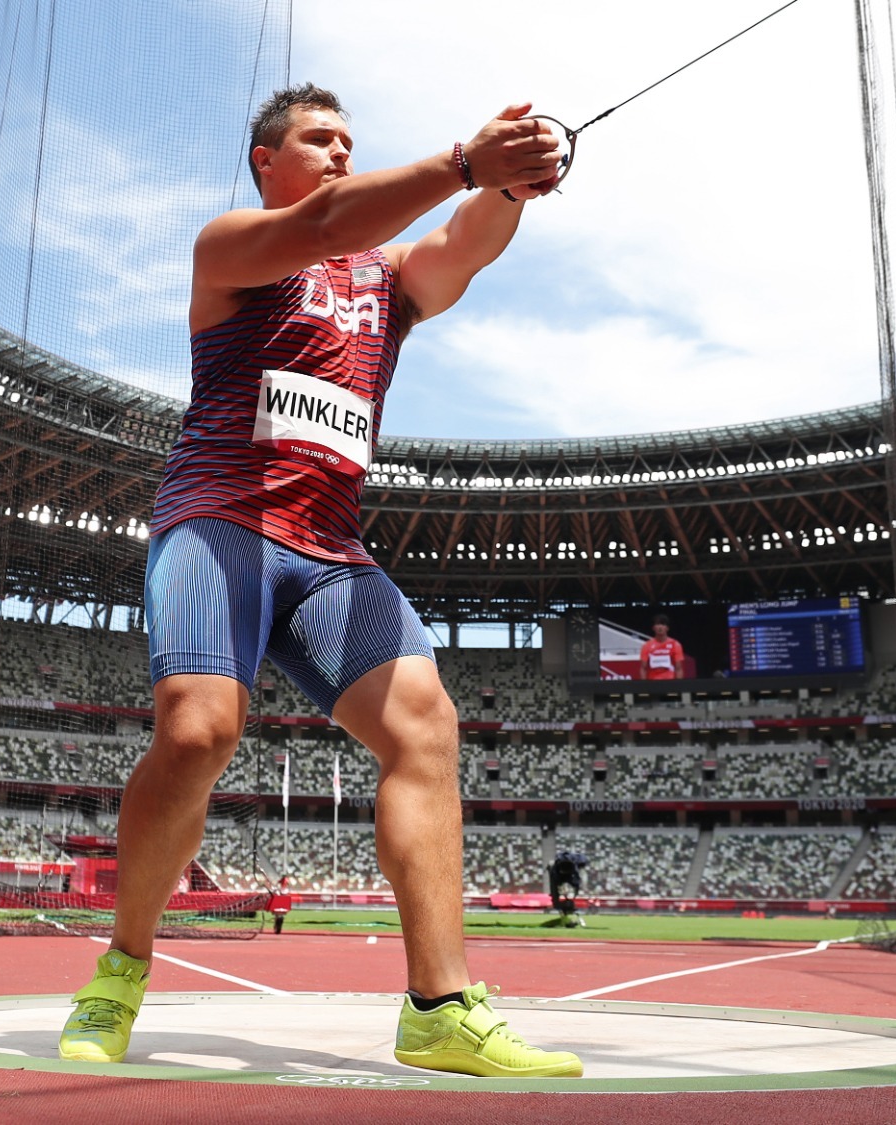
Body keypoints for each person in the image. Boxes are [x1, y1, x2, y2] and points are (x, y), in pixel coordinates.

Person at [58, 83, 580, 1078]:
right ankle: (119, 970)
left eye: (348, 139)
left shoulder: (386, 278)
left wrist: (508, 184)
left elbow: (462, 244)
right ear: (265, 159)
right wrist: (465, 164)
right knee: (198, 729)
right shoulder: (232, 245)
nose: (338, 151)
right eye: (316, 139)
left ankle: (438, 1007)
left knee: (424, 726)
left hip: (329, 550)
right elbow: (332, 219)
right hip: (218, 524)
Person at [637, 614, 687, 681]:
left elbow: (679, 668)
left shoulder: (675, 645)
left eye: (663, 624)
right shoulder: (647, 646)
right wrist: (644, 687)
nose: (660, 627)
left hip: (670, 682)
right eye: (657, 624)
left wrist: (678, 687)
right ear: (653, 628)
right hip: (652, 682)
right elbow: (643, 668)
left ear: (667, 628)